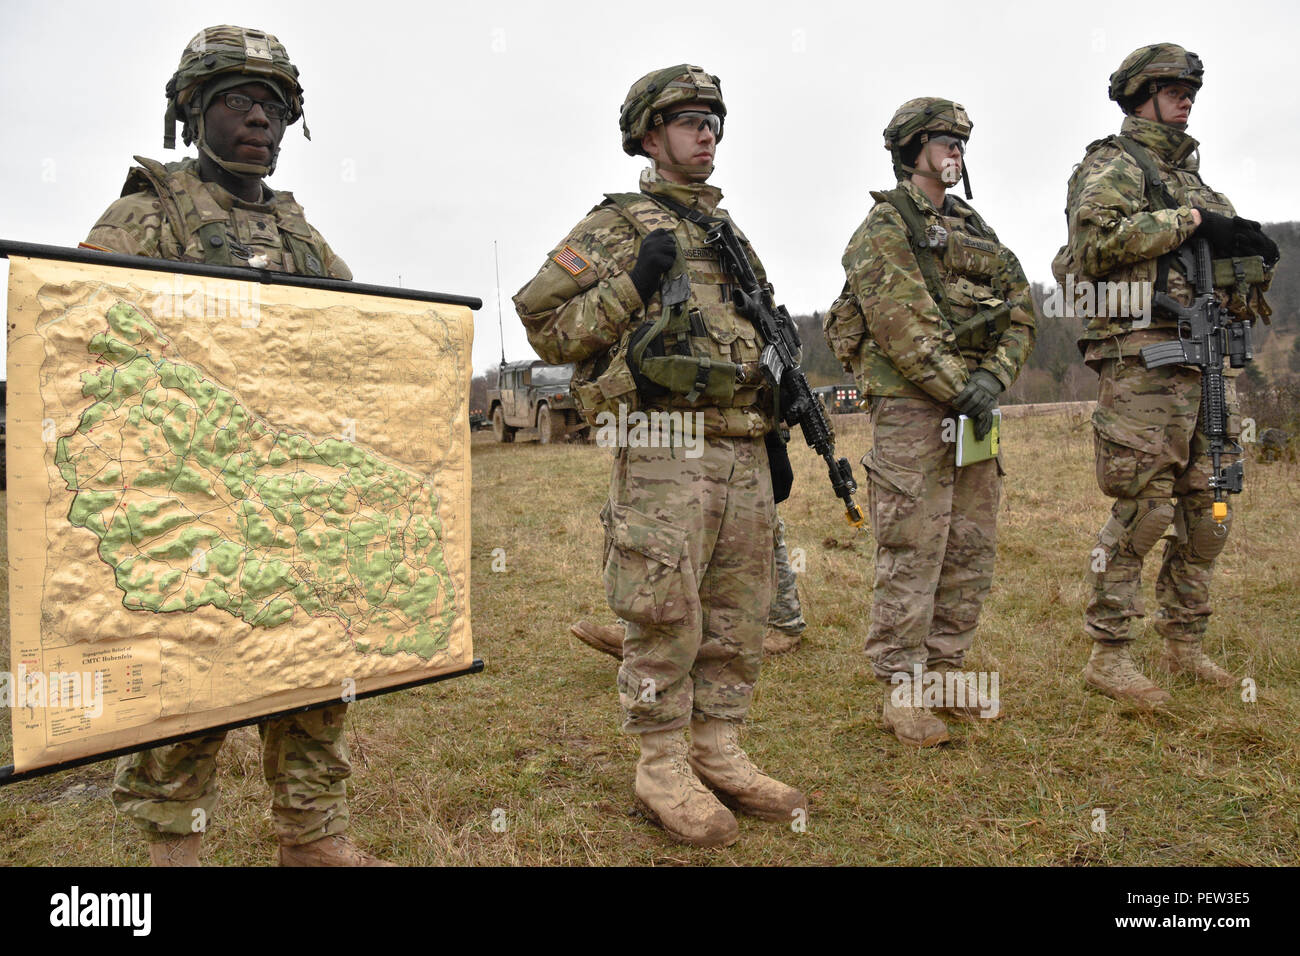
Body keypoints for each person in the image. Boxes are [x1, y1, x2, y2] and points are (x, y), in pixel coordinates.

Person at [81, 24, 389, 866]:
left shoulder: (299, 235)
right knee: (191, 675)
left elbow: (365, 337)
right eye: (239, 101)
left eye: (276, 105)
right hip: (190, 494)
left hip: (298, 493)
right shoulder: (149, 214)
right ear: (193, 111)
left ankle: (313, 835)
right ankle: (174, 851)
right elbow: (80, 331)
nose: (262, 118)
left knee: (314, 666)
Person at [514, 65, 805, 847]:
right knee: (663, 610)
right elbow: (543, 323)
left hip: (741, 447)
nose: (706, 131)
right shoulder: (620, 224)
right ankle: (660, 761)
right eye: (687, 119)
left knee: (738, 615)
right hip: (664, 447)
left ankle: (718, 746)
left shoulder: (726, 232)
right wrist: (634, 282)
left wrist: (776, 424)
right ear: (649, 134)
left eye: (714, 119)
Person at [1051, 44, 1277, 707]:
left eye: (1191, 89)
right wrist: (1194, 223)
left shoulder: (1200, 183)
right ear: (1141, 93)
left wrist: (1247, 261)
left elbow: (1236, 281)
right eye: (1173, 87)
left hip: (1209, 360)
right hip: (1145, 360)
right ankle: (1109, 652)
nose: (1187, 98)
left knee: (1210, 507)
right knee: (1145, 507)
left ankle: (1185, 644)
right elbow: (1094, 247)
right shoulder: (1111, 168)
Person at [823, 98, 1035, 746]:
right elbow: (901, 324)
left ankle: (946, 672)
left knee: (970, 543)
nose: (956, 152)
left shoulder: (972, 225)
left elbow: (1019, 306)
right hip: (913, 408)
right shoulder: (883, 229)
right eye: (944, 141)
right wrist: (959, 387)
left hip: (972, 405)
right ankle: (902, 687)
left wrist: (991, 379)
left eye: (961, 143)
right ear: (911, 149)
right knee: (914, 543)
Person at [571, 510, 807, 658]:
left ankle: (785, 625)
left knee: (759, 521)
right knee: (673, 512)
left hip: (753, 445)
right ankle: (642, 626)